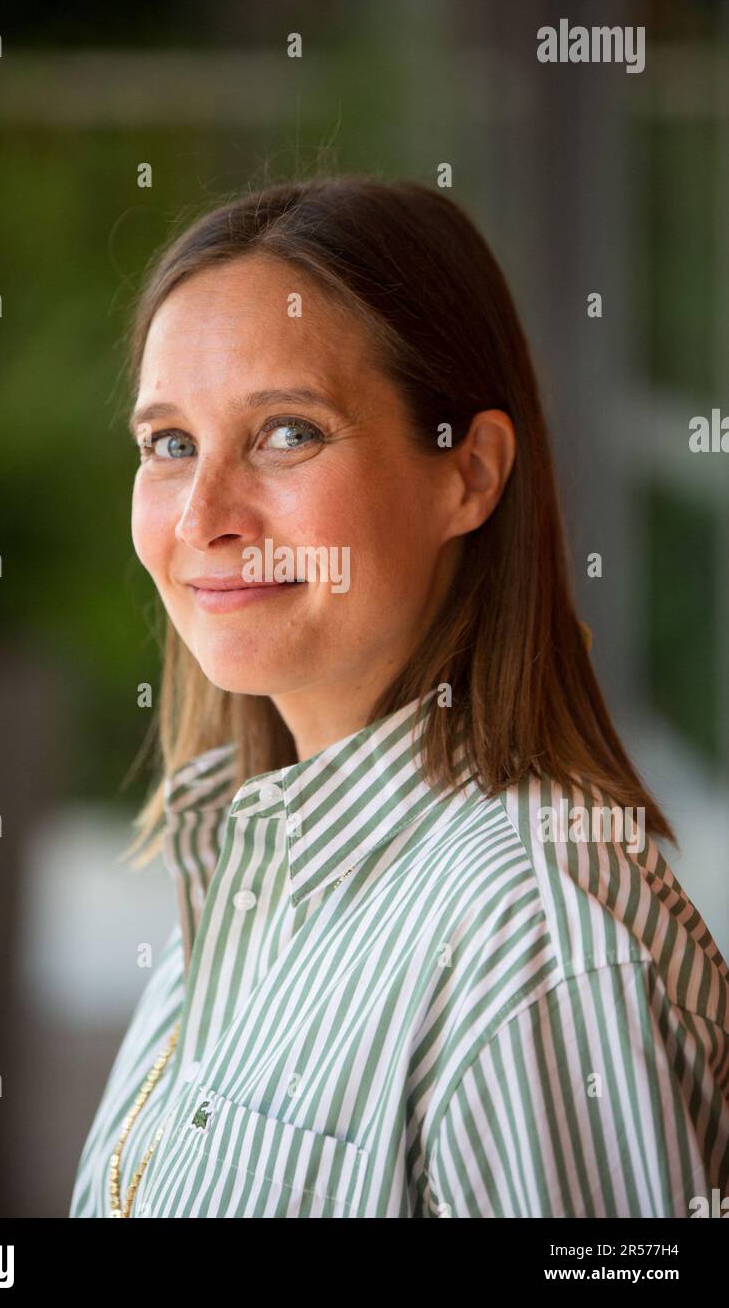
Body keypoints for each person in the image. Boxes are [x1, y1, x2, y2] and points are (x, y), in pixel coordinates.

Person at [69, 175, 729, 1218]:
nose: (201, 516)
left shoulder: (534, 940)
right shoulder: (248, 874)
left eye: (286, 432)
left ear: (466, 474)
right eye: (169, 443)